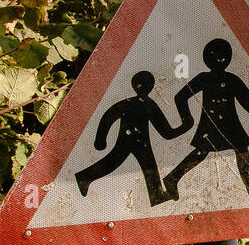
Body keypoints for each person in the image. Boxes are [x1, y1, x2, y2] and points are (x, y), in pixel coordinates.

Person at [162, 38, 249, 201]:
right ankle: (172, 178)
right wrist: (187, 119)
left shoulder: (231, 79)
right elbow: (180, 97)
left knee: (236, 150)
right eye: (216, 56)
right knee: (205, 151)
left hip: (229, 124)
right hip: (213, 124)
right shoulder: (205, 78)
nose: (219, 60)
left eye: (222, 56)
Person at [75, 70, 190, 206]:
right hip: (132, 140)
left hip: (139, 142)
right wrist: (99, 140)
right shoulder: (146, 104)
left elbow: (166, 132)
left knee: (145, 166)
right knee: (119, 163)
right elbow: (109, 117)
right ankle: (84, 177)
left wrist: (100, 140)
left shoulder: (136, 103)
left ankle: (157, 195)